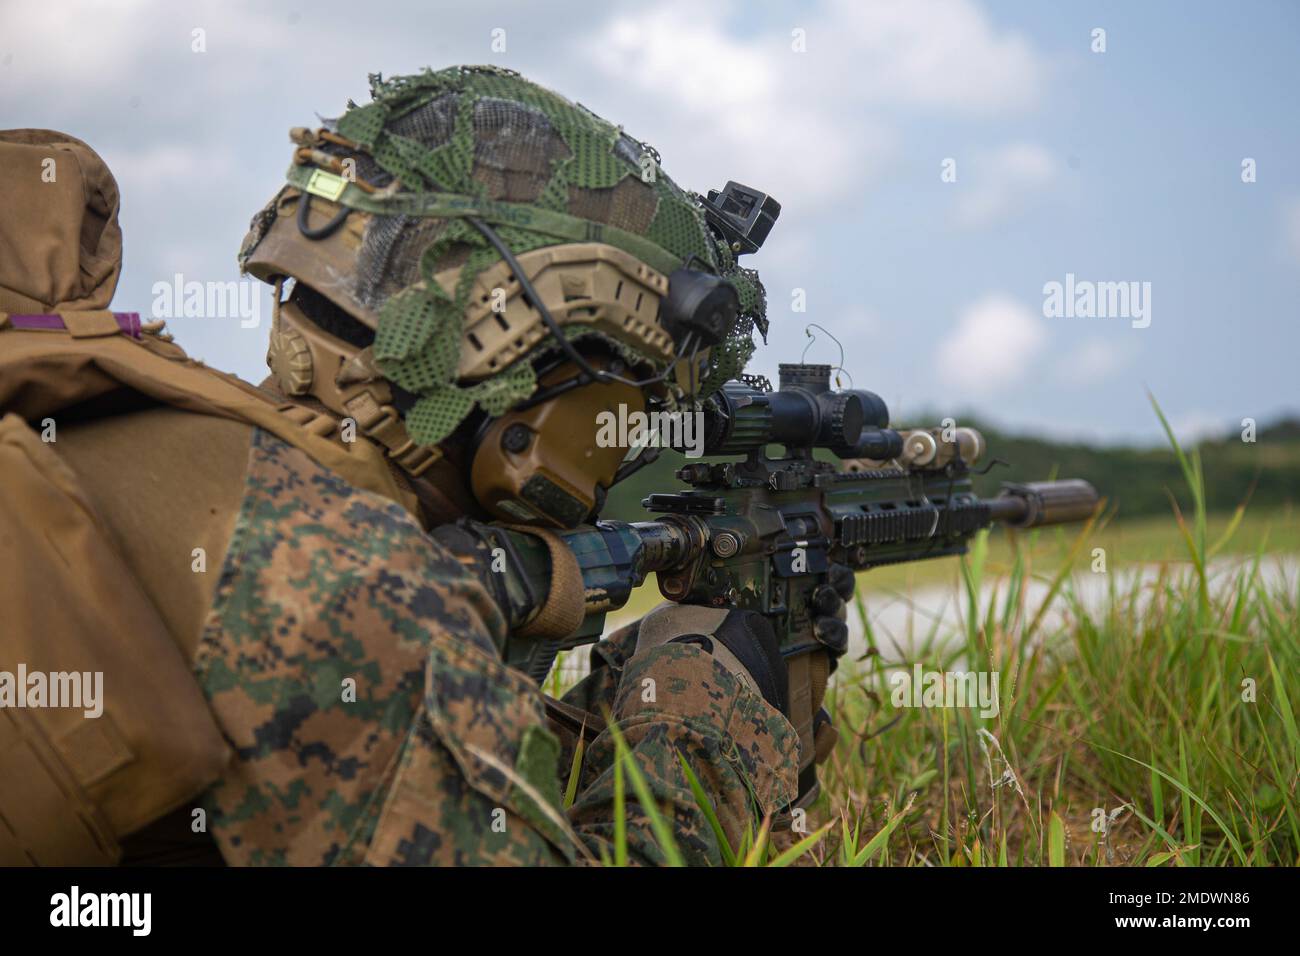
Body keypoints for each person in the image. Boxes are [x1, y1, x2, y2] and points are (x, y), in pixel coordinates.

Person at [0, 66, 848, 866]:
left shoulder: (136, 415)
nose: (630, 437)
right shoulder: (350, 588)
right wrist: (702, 715)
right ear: (527, 385)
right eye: (633, 400)